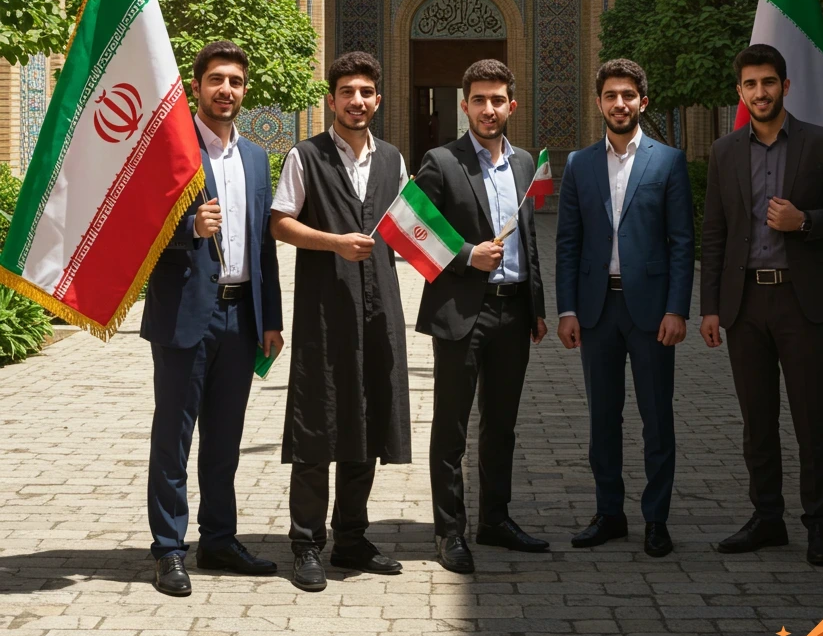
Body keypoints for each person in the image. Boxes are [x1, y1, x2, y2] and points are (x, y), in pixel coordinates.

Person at [700, 43, 823, 566]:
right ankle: (767, 518)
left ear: (784, 86)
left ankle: (819, 523)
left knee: (811, 416)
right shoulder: (724, 151)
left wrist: (804, 221)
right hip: (745, 304)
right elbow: (715, 234)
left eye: (768, 82)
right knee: (757, 418)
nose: (760, 92)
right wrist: (710, 307)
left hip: (800, 301)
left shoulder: (820, 142)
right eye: (750, 84)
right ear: (740, 92)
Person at [142, 41, 283, 597]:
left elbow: (264, 246)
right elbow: (140, 229)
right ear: (196, 86)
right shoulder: (171, 153)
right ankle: (168, 549)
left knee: (225, 439)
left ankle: (219, 540)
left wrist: (271, 318)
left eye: (236, 81)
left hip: (241, 317)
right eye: (217, 80)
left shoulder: (256, 158)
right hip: (186, 315)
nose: (227, 90)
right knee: (173, 439)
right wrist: (188, 229)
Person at [270, 51, 411, 593]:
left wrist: (466, 254)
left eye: (366, 92)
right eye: (347, 92)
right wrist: (334, 242)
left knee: (367, 420)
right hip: (324, 312)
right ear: (331, 100)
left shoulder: (393, 159)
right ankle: (306, 542)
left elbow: (409, 228)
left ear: (378, 99)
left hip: (379, 311)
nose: (357, 101)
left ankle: (351, 537)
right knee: (317, 422)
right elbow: (280, 222)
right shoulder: (305, 156)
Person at [555, 59, 693, 559]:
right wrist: (567, 310)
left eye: (628, 95)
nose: (620, 103)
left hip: (652, 312)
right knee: (602, 419)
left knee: (657, 418)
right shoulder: (579, 164)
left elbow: (682, 242)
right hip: (597, 311)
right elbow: (567, 242)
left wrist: (677, 309)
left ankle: (656, 518)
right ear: (599, 103)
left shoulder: (668, 161)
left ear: (642, 102)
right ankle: (609, 513)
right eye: (611, 95)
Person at [414, 58, 548, 574]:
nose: (488, 109)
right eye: (479, 100)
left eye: (497, 100)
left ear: (511, 105)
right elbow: (413, 231)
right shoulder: (441, 161)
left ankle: (495, 519)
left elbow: (529, 239)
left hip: (513, 311)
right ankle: (449, 532)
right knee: (452, 427)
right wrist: (468, 255)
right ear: (464, 104)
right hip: (461, 313)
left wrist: (537, 307)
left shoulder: (524, 164)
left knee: (501, 425)